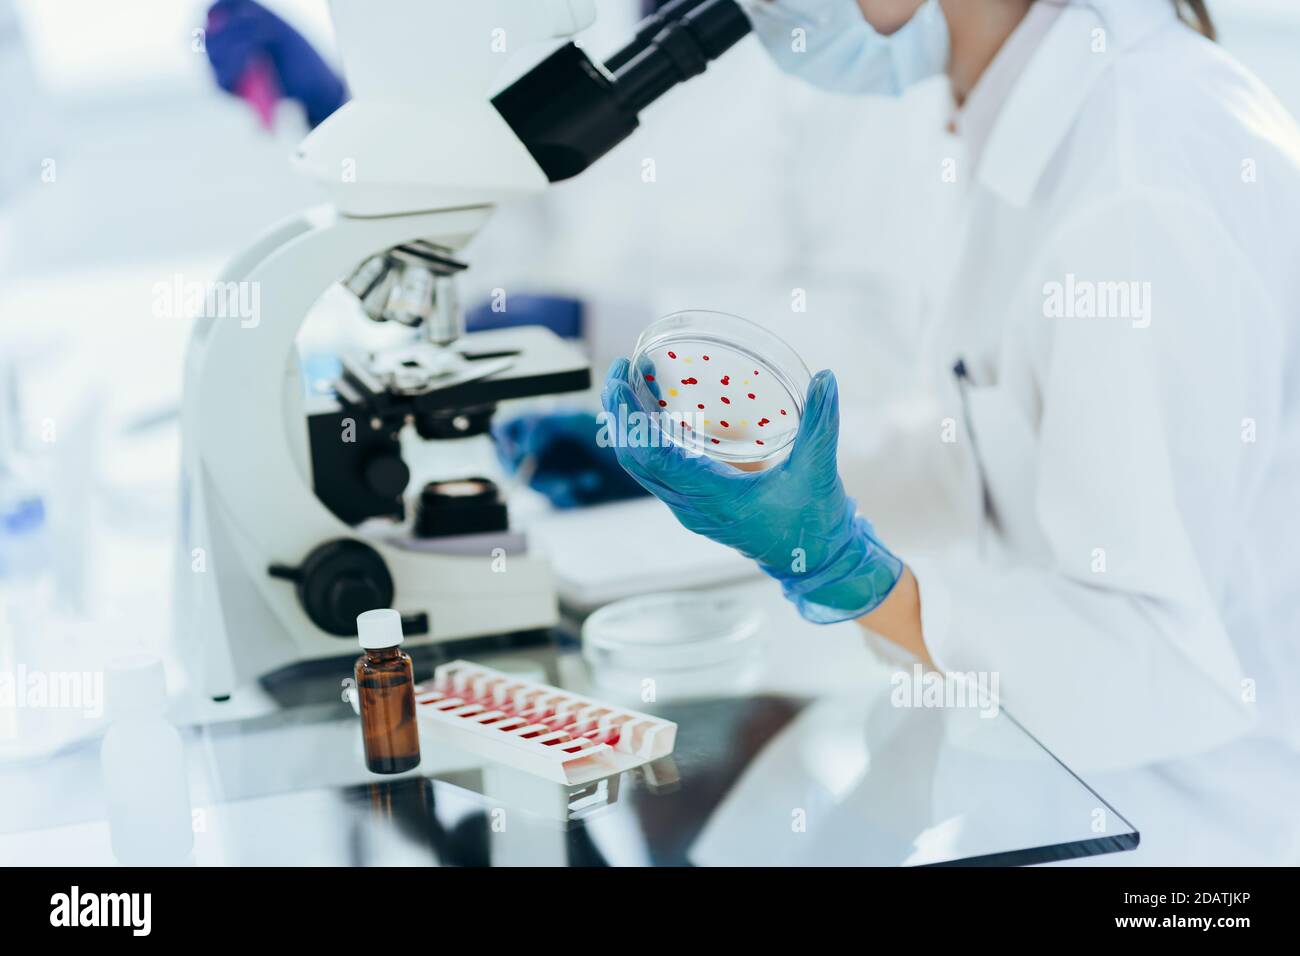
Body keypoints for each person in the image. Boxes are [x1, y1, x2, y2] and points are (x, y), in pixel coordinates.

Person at [602, 0, 1300, 864]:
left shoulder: (1140, 183)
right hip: (1041, 772)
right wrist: (754, 454)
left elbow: (1148, 656)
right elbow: (981, 449)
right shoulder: (1023, 109)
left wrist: (847, 573)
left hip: (1186, 838)